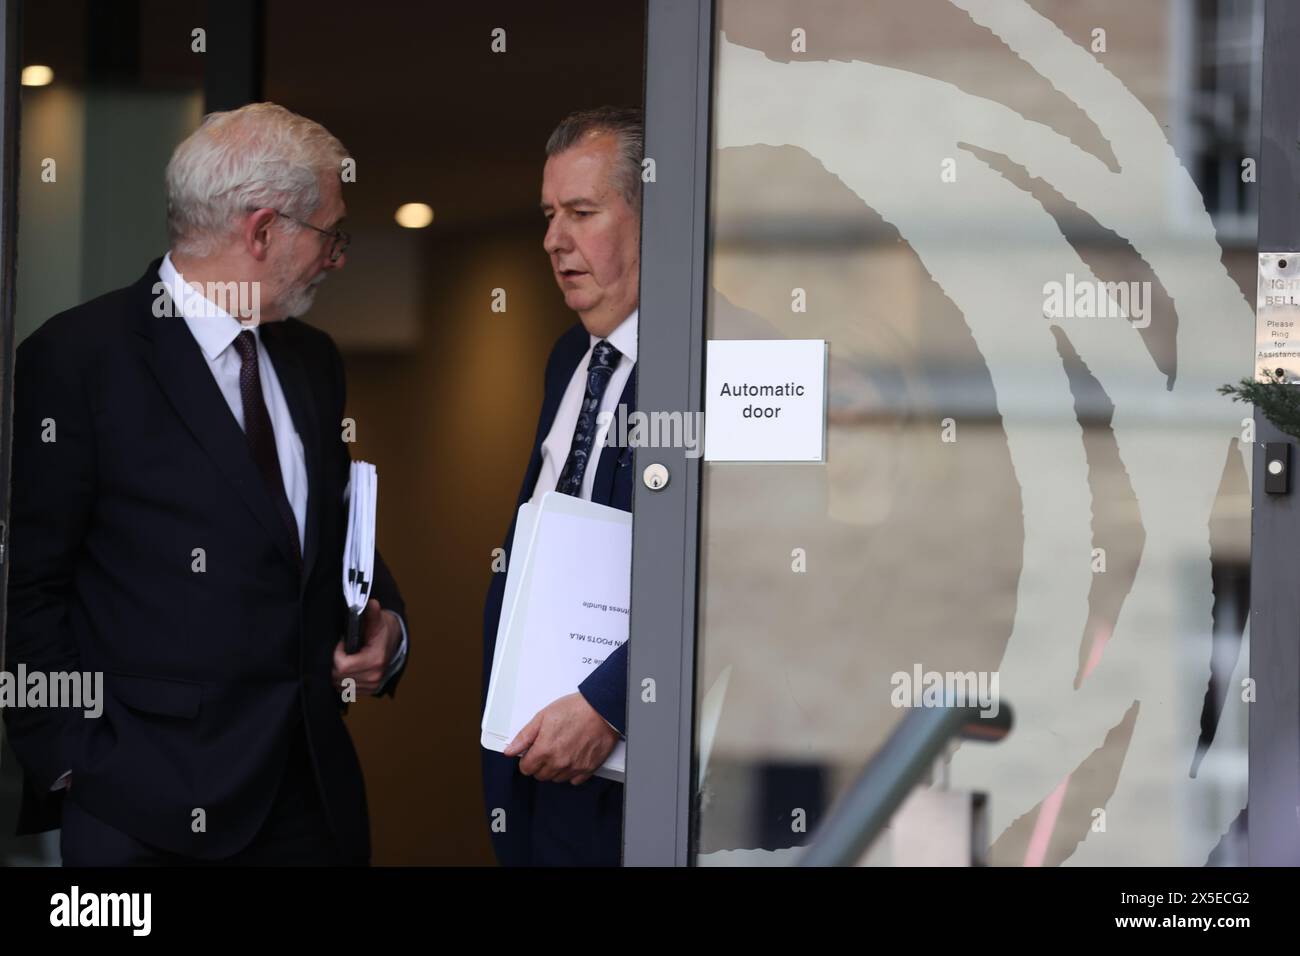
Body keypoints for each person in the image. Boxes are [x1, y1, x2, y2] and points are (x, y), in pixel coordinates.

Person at [4, 102, 409, 866]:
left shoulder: (315, 361)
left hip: (311, 807)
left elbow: (331, 539)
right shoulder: (79, 360)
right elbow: (27, 589)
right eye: (330, 234)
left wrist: (387, 631)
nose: (339, 258)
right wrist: (73, 763)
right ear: (261, 231)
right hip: (144, 812)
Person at [481, 106, 642, 866]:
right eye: (549, 215)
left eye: (582, 212)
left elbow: (754, 582)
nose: (554, 240)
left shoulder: (735, 361)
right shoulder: (567, 359)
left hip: (656, 785)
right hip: (541, 769)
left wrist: (611, 706)